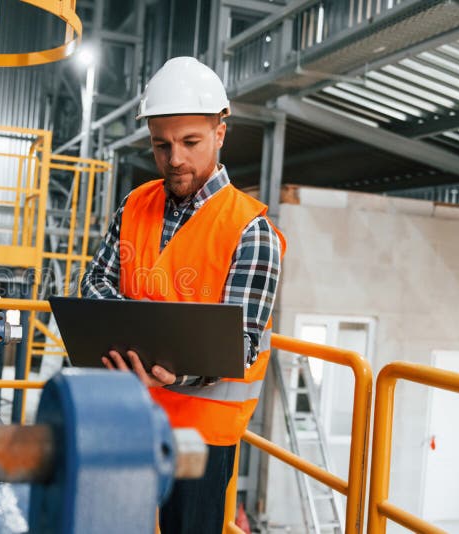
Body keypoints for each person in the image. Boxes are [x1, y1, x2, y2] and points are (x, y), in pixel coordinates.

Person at [80, 56, 286, 533]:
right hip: (127, 414)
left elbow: (239, 344)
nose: (174, 159)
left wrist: (162, 367)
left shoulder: (250, 231)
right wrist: (148, 348)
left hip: (201, 438)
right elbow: (94, 285)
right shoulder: (135, 203)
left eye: (190, 142)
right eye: (161, 145)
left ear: (220, 132)